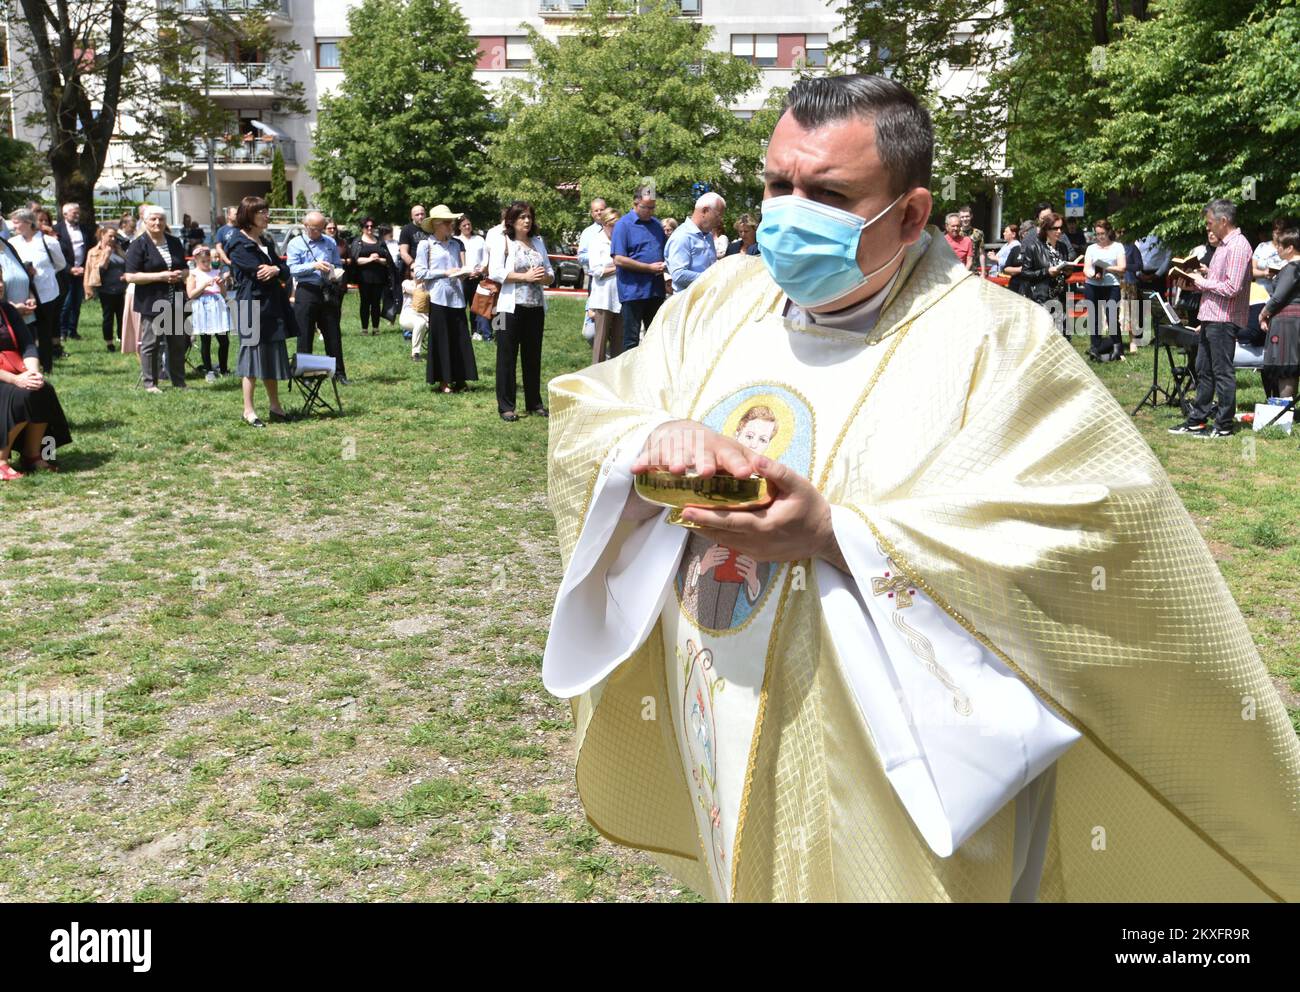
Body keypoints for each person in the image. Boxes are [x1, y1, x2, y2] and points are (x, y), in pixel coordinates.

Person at [541, 73, 1300, 904]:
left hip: (898, 749)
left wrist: (834, 534)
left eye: (827, 193)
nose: (787, 214)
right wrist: (652, 439)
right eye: (776, 185)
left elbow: (1091, 528)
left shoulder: (998, 341)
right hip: (722, 699)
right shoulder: (721, 301)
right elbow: (598, 406)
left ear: (909, 213)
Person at [1169, 199, 1253, 438]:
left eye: (1210, 222)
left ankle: (1224, 424)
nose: (1208, 228)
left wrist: (1200, 281)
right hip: (1210, 316)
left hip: (1224, 319)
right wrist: (1196, 279)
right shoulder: (1223, 247)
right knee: (1203, 369)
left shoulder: (1238, 245)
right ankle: (1197, 419)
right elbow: (1218, 283)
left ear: (1223, 221)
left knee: (1222, 372)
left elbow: (1232, 287)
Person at [227, 196, 295, 426]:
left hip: (271, 306)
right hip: (249, 306)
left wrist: (276, 268)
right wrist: (275, 270)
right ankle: (249, 411)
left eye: (267, 211)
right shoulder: (237, 243)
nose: (267, 215)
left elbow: (283, 270)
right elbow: (258, 273)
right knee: (251, 360)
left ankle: (275, 407)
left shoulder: (265, 240)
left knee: (271, 356)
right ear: (249, 215)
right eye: (262, 212)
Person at [488, 200, 553, 421]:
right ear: (512, 220)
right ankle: (506, 406)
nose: (526, 221)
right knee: (506, 355)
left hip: (535, 307)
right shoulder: (503, 241)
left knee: (532, 356)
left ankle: (534, 403)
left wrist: (544, 277)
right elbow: (496, 271)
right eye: (522, 217)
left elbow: (551, 273)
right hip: (508, 308)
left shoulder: (538, 242)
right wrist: (524, 277)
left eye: (529, 217)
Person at [0, 277, 71, 478]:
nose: (0, 285)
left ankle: (32, 455)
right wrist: (15, 380)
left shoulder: (7, 310)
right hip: (5, 377)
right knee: (21, 398)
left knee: (42, 389)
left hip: (16, 371)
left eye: (0, 279)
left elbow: (28, 345)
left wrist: (32, 372)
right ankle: (0, 460)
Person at [413, 204, 478, 394]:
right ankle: (443, 380)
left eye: (452, 222)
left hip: (457, 297)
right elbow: (419, 272)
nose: (452, 225)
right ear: (437, 224)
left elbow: (458, 268)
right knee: (441, 340)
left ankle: (460, 378)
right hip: (438, 298)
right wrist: (445, 273)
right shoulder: (426, 245)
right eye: (448, 222)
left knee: (460, 339)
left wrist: (464, 273)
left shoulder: (456, 244)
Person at [124, 205, 188, 392]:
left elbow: (185, 268)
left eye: (160, 219)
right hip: (151, 301)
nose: (157, 223)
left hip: (175, 298)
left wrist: (181, 274)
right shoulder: (138, 244)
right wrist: (160, 276)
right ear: (145, 221)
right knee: (150, 343)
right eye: (153, 219)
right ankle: (150, 383)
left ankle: (179, 381)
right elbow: (130, 276)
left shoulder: (175, 242)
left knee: (177, 343)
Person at [288, 211, 348, 385]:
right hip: (306, 291)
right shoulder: (295, 244)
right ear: (305, 226)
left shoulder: (329, 242)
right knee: (305, 334)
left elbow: (338, 263)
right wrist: (313, 266)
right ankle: (305, 375)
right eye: (315, 229)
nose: (319, 232)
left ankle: (339, 373)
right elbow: (292, 269)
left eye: (322, 229)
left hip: (327, 290)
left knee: (333, 333)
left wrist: (334, 270)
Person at [9, 208, 67, 373]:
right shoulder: (13, 242)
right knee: (25, 329)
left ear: (28, 223)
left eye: (17, 223)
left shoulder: (49, 242)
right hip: (23, 292)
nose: (14, 226)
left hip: (46, 292)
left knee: (44, 330)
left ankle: (47, 366)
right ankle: (25, 365)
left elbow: (60, 264)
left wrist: (44, 273)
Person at [611, 184, 667, 351]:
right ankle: (629, 376)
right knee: (631, 341)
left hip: (655, 291)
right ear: (635, 203)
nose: (649, 211)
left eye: (652, 207)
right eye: (645, 207)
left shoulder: (657, 225)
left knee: (655, 338)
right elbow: (619, 259)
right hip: (633, 292)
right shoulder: (623, 225)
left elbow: (665, 253)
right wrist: (649, 268)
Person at [1258, 226, 1300, 400]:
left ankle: (1284, 414)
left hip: (1287, 322)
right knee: (1293, 366)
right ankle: (1290, 411)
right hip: (1294, 320)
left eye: (1280, 246)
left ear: (1290, 248)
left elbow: (1278, 297)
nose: (1277, 249)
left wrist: (1263, 313)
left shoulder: (1292, 267)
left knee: (1286, 368)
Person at [1082, 218, 1126, 362]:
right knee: (1094, 317)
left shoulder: (1117, 247)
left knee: (1112, 315)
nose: (1100, 236)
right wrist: (1092, 275)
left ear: (1108, 232)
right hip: (1093, 285)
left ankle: (1118, 348)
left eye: (1102, 233)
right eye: (1097, 234)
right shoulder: (1091, 248)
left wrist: (1106, 267)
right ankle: (1095, 347)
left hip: (1111, 285)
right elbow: (1086, 268)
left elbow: (1122, 268)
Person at [186, 245, 232, 381]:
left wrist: (222, 284)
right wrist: (203, 286)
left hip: (218, 306)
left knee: (224, 341)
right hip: (203, 307)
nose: (207, 264)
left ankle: (223, 368)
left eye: (208, 260)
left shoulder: (215, 271)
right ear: (196, 261)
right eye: (203, 262)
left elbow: (223, 294)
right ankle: (208, 370)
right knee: (206, 341)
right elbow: (191, 294)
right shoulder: (193, 274)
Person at [665, 192, 725, 294]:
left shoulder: (708, 236)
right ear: (705, 211)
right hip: (687, 303)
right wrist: (710, 278)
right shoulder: (682, 236)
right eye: (718, 215)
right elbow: (679, 274)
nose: (720, 221)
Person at [586, 207, 622, 364]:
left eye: (617, 225)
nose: (614, 229)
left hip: (620, 296)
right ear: (604, 224)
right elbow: (596, 270)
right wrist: (619, 266)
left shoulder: (621, 241)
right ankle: (595, 377)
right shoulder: (596, 241)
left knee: (618, 344)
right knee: (599, 343)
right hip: (602, 298)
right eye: (611, 225)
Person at [1019, 211, 1068, 325]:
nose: (1059, 231)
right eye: (1055, 228)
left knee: (1061, 335)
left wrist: (1067, 271)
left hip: (1060, 297)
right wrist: (1046, 272)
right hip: (1040, 298)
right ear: (1046, 229)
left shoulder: (1063, 247)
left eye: (1061, 228)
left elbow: (1062, 272)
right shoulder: (1033, 247)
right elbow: (1025, 273)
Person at [84, 225, 128, 351]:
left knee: (122, 316)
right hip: (106, 290)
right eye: (110, 236)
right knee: (108, 317)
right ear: (102, 235)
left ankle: (122, 339)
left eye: (115, 236)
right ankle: (109, 342)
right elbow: (95, 272)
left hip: (122, 289)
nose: (113, 239)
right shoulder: (94, 252)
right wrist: (106, 257)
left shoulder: (119, 250)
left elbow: (126, 264)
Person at [55, 202, 95, 342]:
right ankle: (62, 331)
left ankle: (73, 330)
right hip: (65, 272)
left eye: (78, 212)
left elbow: (90, 249)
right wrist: (69, 269)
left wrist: (85, 267)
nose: (77, 215)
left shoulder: (84, 229)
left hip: (81, 271)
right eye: (74, 212)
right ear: (65, 214)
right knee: (66, 304)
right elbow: (56, 254)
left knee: (76, 303)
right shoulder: (57, 230)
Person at [576, 197, 608, 347]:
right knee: (594, 317)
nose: (599, 212)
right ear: (592, 213)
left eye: (601, 209)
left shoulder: (617, 228)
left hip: (614, 278)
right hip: (595, 279)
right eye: (596, 210)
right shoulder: (588, 233)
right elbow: (581, 257)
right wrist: (597, 254)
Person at [351, 217, 390, 335]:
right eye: (366, 226)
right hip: (364, 278)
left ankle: (376, 328)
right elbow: (355, 259)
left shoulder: (380, 241)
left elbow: (387, 260)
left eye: (371, 226)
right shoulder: (358, 241)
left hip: (378, 277)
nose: (369, 228)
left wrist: (378, 260)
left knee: (376, 303)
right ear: (362, 228)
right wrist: (370, 259)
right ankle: (364, 329)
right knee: (365, 303)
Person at [456, 215, 490, 342]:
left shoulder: (479, 239)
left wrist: (481, 269)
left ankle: (476, 331)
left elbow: (485, 257)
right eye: (464, 225)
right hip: (462, 278)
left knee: (476, 306)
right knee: (461, 305)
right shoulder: (456, 240)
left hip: (477, 276)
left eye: (469, 224)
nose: (467, 227)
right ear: (459, 227)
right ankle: (462, 331)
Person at [399, 276, 428, 362]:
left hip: (423, 315)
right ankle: (415, 353)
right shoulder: (406, 283)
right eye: (413, 270)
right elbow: (414, 291)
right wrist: (422, 286)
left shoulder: (427, 285)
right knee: (421, 323)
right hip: (407, 314)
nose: (415, 272)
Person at [399, 204, 428, 271]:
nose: (420, 216)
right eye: (417, 215)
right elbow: (403, 253)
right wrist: (413, 265)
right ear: (412, 216)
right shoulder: (406, 229)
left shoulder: (430, 228)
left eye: (422, 214)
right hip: (415, 268)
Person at [958, 204, 984, 276]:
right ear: (959, 218)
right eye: (962, 217)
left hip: (973, 272)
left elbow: (981, 254)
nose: (965, 219)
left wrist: (983, 272)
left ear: (971, 216)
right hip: (958, 271)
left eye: (967, 216)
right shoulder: (956, 233)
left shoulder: (978, 233)